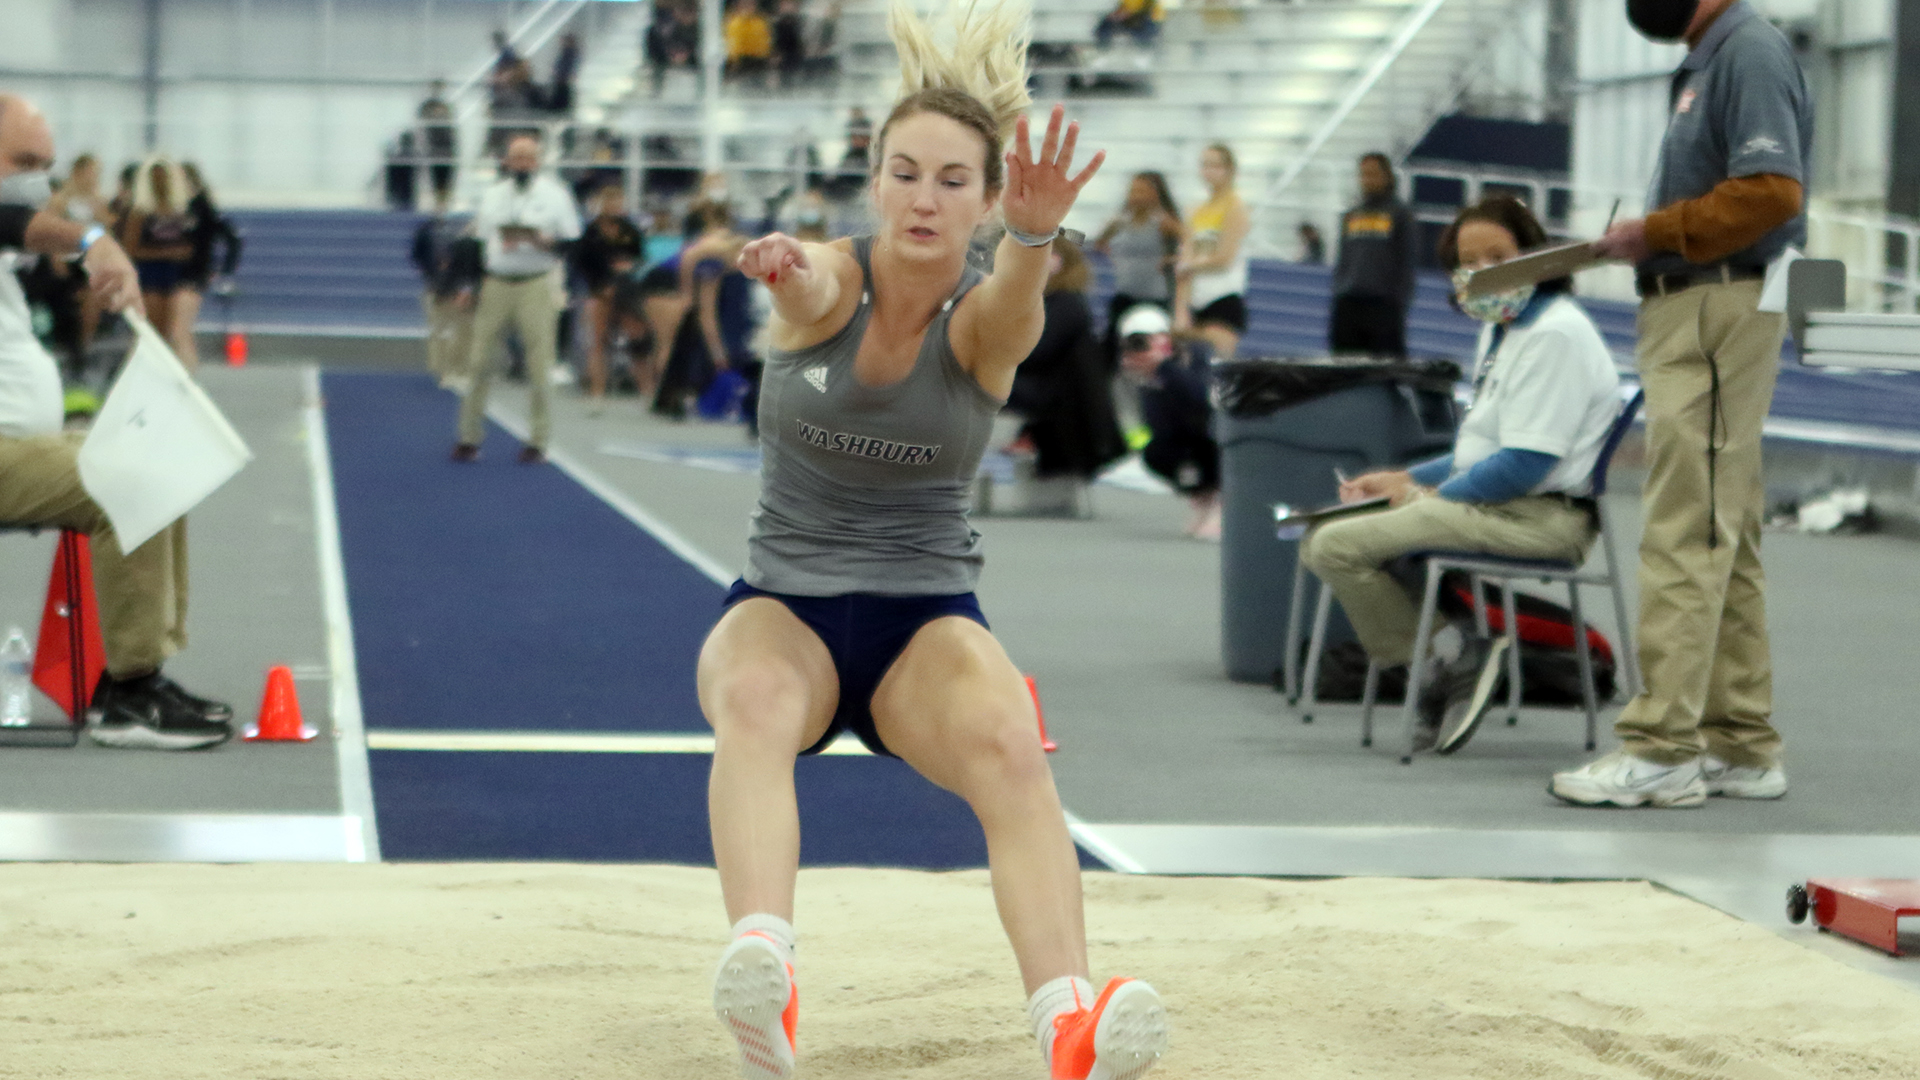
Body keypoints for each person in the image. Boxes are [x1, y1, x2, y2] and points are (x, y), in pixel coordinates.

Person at [701, 1, 1169, 1077]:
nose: (924, 197)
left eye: (953, 180)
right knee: (755, 703)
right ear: (874, 184)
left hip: (922, 621)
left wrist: (1035, 239)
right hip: (784, 607)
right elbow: (814, 285)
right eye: (904, 173)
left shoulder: (983, 319)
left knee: (1012, 746)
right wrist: (784, 265)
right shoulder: (830, 280)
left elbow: (1015, 307)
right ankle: (763, 971)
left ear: (987, 199)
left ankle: (1069, 1021)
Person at [1555, 0, 1810, 808]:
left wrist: (1657, 232)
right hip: (1703, 302)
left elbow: (1772, 192)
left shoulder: (1748, 50)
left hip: (1713, 305)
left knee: (1685, 528)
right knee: (1722, 533)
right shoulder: (1714, 55)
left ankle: (1663, 746)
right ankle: (1740, 743)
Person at [1301, 195, 1622, 753]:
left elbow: (1524, 464)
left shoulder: (1555, 334)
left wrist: (1429, 494)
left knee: (1335, 547)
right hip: (1499, 505)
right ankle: (1450, 656)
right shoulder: (1502, 329)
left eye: (1498, 256)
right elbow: (1480, 451)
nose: (1483, 272)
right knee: (1319, 536)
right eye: (1468, 263)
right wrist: (1405, 478)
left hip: (1541, 519)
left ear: (1535, 255)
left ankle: (1448, 659)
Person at [0, 94, 233, 750]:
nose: (38, 180)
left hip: (19, 446)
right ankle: (131, 695)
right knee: (129, 475)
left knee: (157, 456)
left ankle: (141, 674)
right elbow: (12, 220)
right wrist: (93, 241)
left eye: (45, 165)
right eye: (24, 161)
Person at [453, 134, 582, 464]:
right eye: (516, 158)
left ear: (537, 161)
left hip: (535, 281)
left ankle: (538, 440)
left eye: (528, 157)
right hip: (497, 280)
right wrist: (469, 285)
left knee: (539, 364)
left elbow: (572, 242)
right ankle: (469, 436)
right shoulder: (494, 195)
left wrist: (542, 242)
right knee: (479, 361)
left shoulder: (555, 196)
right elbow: (478, 243)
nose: (522, 164)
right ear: (507, 162)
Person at [1005, 240, 1127, 486]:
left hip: (1062, 402)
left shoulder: (1066, 303)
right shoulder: (1051, 301)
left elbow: (1036, 352)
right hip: (1054, 395)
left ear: (1061, 262)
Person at [1116, 304, 1220, 540]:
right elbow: (1156, 426)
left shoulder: (1197, 356)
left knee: (1206, 441)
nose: (1138, 350)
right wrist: (1147, 377)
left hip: (1213, 434)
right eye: (1132, 344)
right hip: (1185, 439)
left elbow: (1200, 399)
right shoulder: (1145, 377)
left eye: (1144, 341)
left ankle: (1220, 500)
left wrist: (1165, 367)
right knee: (1156, 452)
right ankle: (1201, 493)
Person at [652, 203, 752, 420]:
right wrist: (686, 293)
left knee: (681, 340)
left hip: (680, 277)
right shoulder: (716, 253)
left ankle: (670, 396)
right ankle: (663, 396)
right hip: (663, 282)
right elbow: (707, 316)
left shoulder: (728, 250)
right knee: (668, 341)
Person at [1329, 152, 1416, 358]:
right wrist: (1339, 289)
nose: (1367, 179)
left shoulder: (1400, 214)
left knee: (1385, 369)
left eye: (1373, 174)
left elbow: (1406, 261)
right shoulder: (1351, 214)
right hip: (1349, 302)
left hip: (1383, 305)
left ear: (1387, 176)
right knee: (1343, 367)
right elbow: (1343, 259)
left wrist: (1398, 301)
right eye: (1363, 174)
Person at [1093, 171, 1180, 370]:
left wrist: (1175, 258)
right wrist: (1113, 256)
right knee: (1112, 350)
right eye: (1134, 191)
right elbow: (1098, 242)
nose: (1136, 196)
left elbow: (1189, 239)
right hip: (1125, 294)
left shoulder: (1163, 222)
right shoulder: (1121, 221)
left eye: (1142, 191)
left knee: (1155, 353)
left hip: (1154, 297)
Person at [1172, 143, 1249, 359]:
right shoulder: (1195, 211)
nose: (1209, 171)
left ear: (1230, 170)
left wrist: (1191, 264)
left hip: (1223, 297)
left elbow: (1224, 258)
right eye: (1205, 165)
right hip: (1196, 299)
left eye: (1216, 166)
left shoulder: (1235, 207)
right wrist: (1181, 309)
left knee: (1218, 367)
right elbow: (1184, 263)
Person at [572, 185, 645, 409]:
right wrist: (599, 286)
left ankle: (647, 391)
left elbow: (640, 257)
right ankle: (597, 391)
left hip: (626, 291)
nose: (614, 206)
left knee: (638, 337)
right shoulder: (591, 232)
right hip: (597, 290)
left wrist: (628, 267)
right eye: (610, 202)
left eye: (618, 202)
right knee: (598, 340)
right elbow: (582, 262)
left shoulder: (630, 230)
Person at [116, 155, 195, 353]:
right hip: (150, 272)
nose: (160, 183)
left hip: (173, 273)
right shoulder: (141, 213)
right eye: (156, 179)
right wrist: (162, 253)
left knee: (171, 328)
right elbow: (130, 248)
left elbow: (190, 243)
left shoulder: (179, 211)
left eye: (163, 178)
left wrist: (180, 253)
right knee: (152, 325)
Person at [411, 189, 482, 390]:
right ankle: (444, 371)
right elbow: (425, 260)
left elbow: (472, 267)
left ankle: (455, 370)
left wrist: (466, 289)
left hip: (454, 289)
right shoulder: (432, 234)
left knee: (460, 332)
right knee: (445, 332)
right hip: (442, 289)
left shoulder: (469, 239)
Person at [173, 162, 240, 368]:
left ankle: (188, 375)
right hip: (181, 274)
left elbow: (231, 238)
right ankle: (185, 371)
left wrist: (224, 269)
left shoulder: (201, 207)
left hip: (192, 275)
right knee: (176, 331)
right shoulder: (180, 207)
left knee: (180, 331)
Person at [418, 80, 458, 203]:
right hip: (433, 147)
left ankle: (444, 202)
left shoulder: (447, 105)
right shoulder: (427, 106)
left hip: (447, 147)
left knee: (447, 178)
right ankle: (437, 202)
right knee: (435, 178)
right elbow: (422, 120)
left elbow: (452, 126)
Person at [724, 0, 774, 85]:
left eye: (750, 4)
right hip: (740, 62)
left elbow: (766, 43)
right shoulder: (733, 22)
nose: (748, 8)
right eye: (744, 4)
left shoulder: (760, 22)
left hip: (759, 62)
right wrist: (733, 60)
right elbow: (731, 43)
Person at [1094, 0, 1164, 49]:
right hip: (1130, 17)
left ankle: (1147, 53)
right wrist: (1118, 13)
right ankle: (1103, 50)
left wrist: (1127, 13)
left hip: (1149, 19)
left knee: (1144, 32)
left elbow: (1147, 7)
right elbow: (1124, 6)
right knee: (1105, 25)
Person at [548, 32, 581, 115]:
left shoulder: (570, 53)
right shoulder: (566, 52)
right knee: (561, 92)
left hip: (564, 77)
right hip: (562, 77)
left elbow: (568, 65)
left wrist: (564, 74)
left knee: (563, 93)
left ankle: (561, 108)